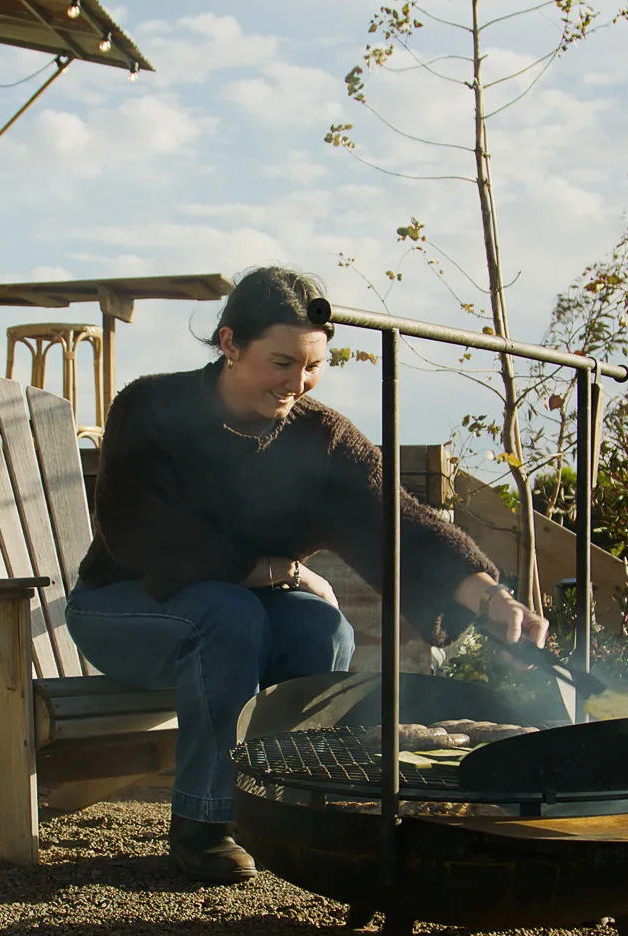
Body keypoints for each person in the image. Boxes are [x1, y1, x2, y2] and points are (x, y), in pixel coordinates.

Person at [66, 267, 552, 883]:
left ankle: (283, 805)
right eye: (281, 362)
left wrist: (489, 599)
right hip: (122, 607)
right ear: (230, 344)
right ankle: (204, 822)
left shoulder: (319, 436)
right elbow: (137, 532)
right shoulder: (151, 406)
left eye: (313, 365)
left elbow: (397, 519)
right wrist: (273, 570)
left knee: (322, 628)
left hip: (237, 609)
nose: (297, 383)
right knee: (230, 615)